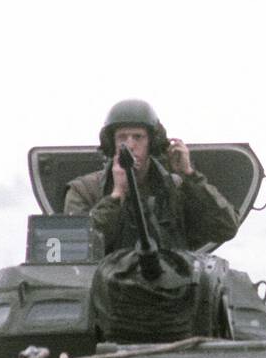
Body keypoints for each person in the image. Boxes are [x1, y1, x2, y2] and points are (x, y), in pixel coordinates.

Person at [64, 99, 239, 254]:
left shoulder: (176, 189)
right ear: (112, 144)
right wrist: (116, 196)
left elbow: (225, 228)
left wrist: (190, 175)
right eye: (122, 137)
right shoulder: (84, 190)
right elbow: (76, 247)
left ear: (152, 143)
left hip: (171, 287)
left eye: (138, 137)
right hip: (107, 289)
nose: (130, 145)